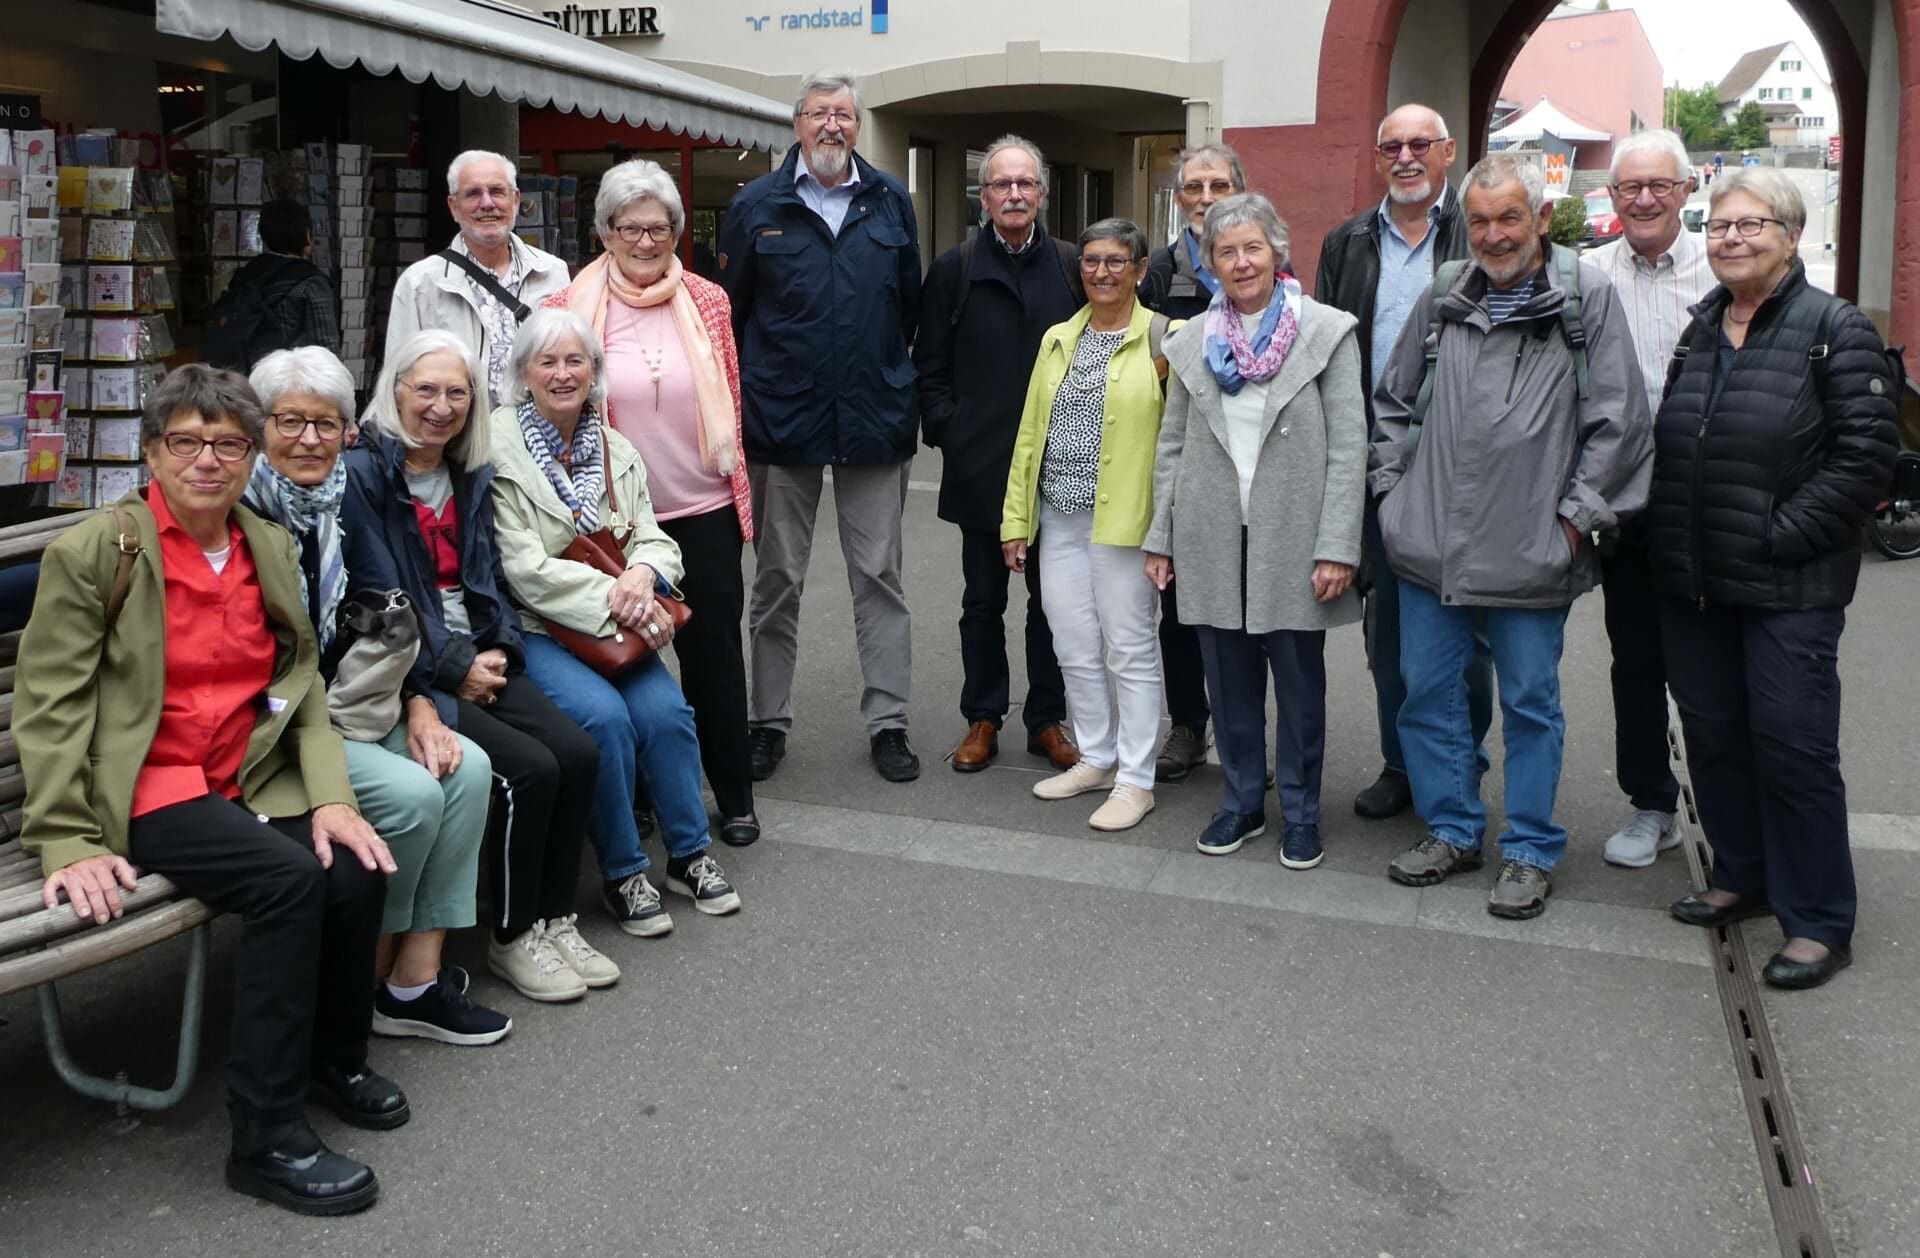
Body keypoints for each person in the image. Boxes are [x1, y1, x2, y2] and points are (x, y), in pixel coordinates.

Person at [17, 364, 402, 1215]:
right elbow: (49, 710)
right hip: (150, 786)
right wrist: (67, 837)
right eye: (185, 442)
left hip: (243, 771)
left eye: (228, 444)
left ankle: (331, 1062)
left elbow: (299, 678)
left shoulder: (261, 540)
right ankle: (262, 1137)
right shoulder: (99, 550)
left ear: (249, 452)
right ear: (152, 452)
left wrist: (331, 794)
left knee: (359, 865)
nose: (208, 461)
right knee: (287, 880)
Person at [1370, 153, 1652, 920]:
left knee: (1530, 704)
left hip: (1533, 550)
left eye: (1509, 218)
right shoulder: (1443, 293)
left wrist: (1574, 524)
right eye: (1481, 220)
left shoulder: (1583, 297)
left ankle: (1529, 849)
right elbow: (1393, 405)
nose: (1494, 236)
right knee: (1427, 697)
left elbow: (1619, 424)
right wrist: (1395, 497)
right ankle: (1455, 829)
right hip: (1431, 545)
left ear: (1542, 218)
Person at [1648, 167, 1899, 989]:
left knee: (1792, 749)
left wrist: (1778, 534)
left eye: (1751, 226)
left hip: (1788, 585)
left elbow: (1866, 460)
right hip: (1698, 582)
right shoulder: (1702, 327)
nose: (1732, 240)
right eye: (1719, 227)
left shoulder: (1836, 329)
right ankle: (1744, 875)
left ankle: (1820, 920)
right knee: (1715, 736)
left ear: (1791, 237)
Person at [244, 347, 509, 1046]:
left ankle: (413, 982)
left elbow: (390, 613)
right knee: (414, 794)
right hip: (275, 726)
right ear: (259, 427)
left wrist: (420, 702)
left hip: (350, 706)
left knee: (468, 769)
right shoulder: (243, 510)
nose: (309, 440)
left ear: (347, 431)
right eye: (290, 422)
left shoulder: (340, 501)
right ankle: (359, 973)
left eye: (326, 425)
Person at [342, 330, 612, 1004]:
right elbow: (381, 598)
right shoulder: (367, 475)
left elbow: (484, 580)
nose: (440, 406)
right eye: (424, 389)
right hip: (415, 671)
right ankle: (514, 934)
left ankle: (553, 918)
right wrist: (456, 665)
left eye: (456, 392)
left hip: (476, 656)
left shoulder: (469, 470)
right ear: (393, 391)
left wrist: (497, 651)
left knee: (577, 752)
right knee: (527, 768)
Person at [489, 309, 745, 936]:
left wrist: (644, 577)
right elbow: (523, 570)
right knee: (601, 719)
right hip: (540, 626)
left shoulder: (615, 446)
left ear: (594, 372)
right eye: (547, 361)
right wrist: (620, 595)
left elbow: (655, 538)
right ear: (524, 373)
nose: (562, 373)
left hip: (614, 620)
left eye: (576, 361)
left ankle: (689, 854)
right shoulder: (495, 448)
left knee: (666, 714)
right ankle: (624, 871)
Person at [542, 158, 761, 848]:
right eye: (630, 227)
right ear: (605, 231)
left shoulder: (710, 301)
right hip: (612, 524)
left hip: (703, 507)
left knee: (714, 655)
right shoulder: (563, 311)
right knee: (622, 657)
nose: (645, 241)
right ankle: (639, 800)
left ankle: (732, 793)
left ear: (677, 231)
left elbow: (731, 391)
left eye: (659, 227)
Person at [1145, 194, 1366, 867]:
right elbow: (1172, 444)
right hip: (1213, 534)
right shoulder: (1191, 341)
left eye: (1252, 248)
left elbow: (1349, 447)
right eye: (1226, 251)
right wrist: (1161, 536)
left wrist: (1338, 545)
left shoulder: (1325, 331)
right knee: (1227, 684)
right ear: (1210, 263)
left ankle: (1300, 813)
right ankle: (1240, 802)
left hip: (1295, 538)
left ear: (1277, 252)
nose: (1240, 262)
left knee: (1299, 689)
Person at [719, 71, 924, 784]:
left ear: (857, 125)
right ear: (797, 124)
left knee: (880, 578)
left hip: (874, 417)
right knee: (776, 580)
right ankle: (766, 722)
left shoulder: (891, 200)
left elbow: (908, 305)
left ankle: (889, 723)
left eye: (844, 114)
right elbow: (736, 315)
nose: (832, 126)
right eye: (818, 114)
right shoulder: (755, 206)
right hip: (782, 420)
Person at [1314, 104, 1492, 823]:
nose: (1407, 156)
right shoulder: (1347, 240)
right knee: (1386, 631)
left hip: (1462, 462)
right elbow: (1326, 351)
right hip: (1375, 459)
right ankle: (1401, 762)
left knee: (1465, 632)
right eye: (1393, 145)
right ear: (1379, 156)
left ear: (1449, 152)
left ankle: (1458, 764)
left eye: (1422, 144)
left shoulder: (1479, 229)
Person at [913, 134, 1081, 774]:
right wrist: (952, 432)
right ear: (983, 197)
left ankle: (1046, 719)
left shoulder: (1072, 266)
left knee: (1052, 601)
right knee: (981, 602)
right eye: (1001, 185)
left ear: (1041, 194)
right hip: (981, 469)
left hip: (1059, 468)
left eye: (1025, 184)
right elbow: (928, 368)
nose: (1014, 194)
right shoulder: (954, 269)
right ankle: (982, 715)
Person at [1001, 219, 1168, 833]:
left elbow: (1176, 444)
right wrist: (1015, 520)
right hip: (1060, 518)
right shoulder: (1058, 339)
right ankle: (1096, 756)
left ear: (1140, 270)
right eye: (1092, 260)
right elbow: (1029, 436)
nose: (1101, 272)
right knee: (1072, 644)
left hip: (1125, 523)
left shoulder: (1162, 339)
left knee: (1129, 648)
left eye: (1116, 261)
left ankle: (1136, 779)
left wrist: (1166, 533)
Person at [1584, 130, 1713, 869]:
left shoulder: (1720, 269)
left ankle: (1730, 806)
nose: (1642, 199)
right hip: (1626, 503)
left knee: (1713, 661)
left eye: (1658, 186)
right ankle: (1652, 803)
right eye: (1628, 187)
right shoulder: (1590, 275)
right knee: (1635, 658)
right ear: (1611, 198)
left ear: (1687, 190)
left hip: (1707, 499)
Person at [1137, 142, 1246, 783]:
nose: (1205, 198)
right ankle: (1187, 726)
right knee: (1175, 600)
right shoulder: (1158, 271)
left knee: (1246, 606)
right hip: (1178, 459)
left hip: (1249, 462)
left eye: (1219, 186)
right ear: (1178, 199)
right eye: (1193, 188)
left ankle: (1245, 734)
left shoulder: (1260, 260)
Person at [386, 150, 570, 404]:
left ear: (515, 200)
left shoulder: (553, 273)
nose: (487, 204)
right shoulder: (420, 284)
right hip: (457, 439)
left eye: (497, 191)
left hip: (541, 438)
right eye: (473, 194)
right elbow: (399, 381)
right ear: (453, 207)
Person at [203, 199, 339, 368]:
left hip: (245, 376)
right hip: (287, 381)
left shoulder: (248, 273)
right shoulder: (311, 281)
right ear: (303, 233)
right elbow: (326, 348)